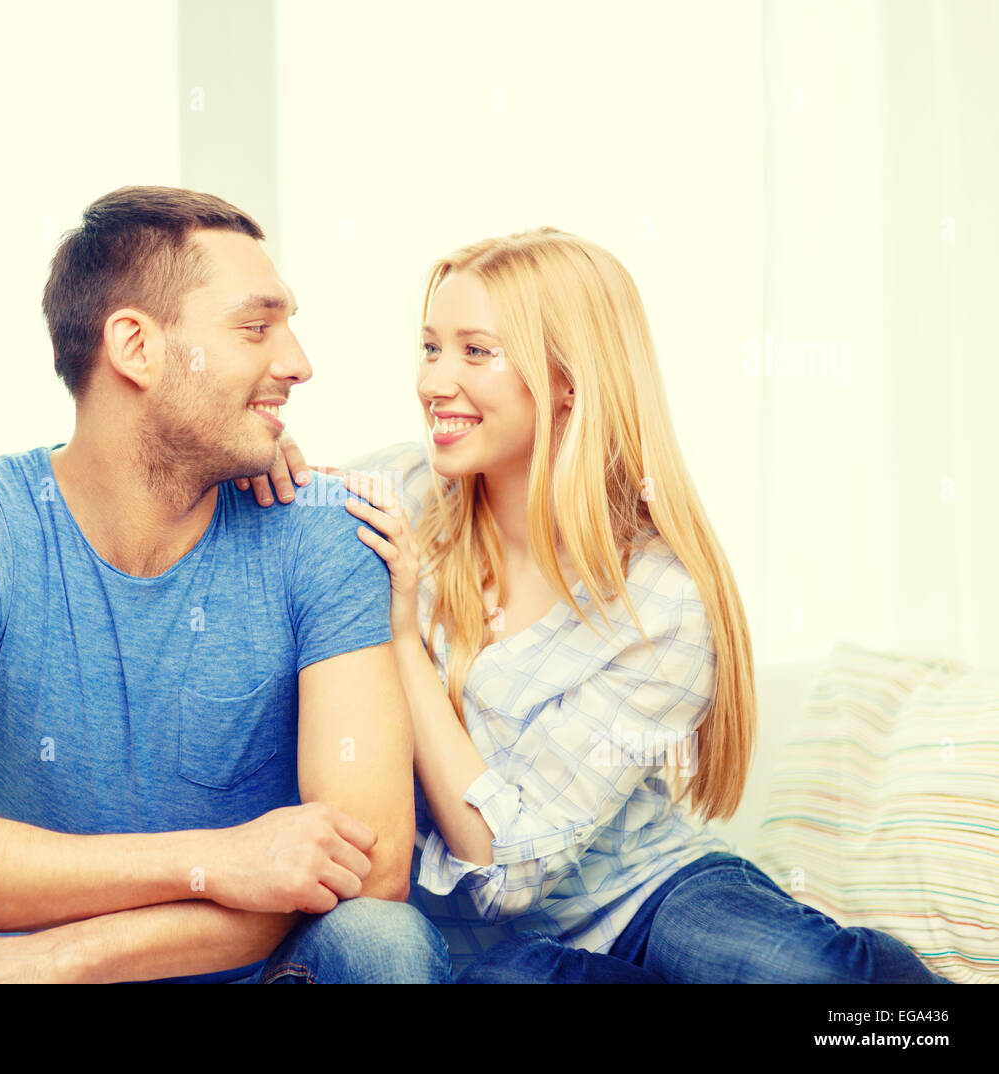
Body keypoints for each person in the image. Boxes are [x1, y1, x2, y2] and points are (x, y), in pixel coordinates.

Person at [240, 227, 952, 984]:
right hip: (487, 948)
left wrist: (402, 641)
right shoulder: (396, 493)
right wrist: (266, 463)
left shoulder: (663, 602)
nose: (435, 382)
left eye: (476, 352)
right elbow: (265, 520)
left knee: (801, 973)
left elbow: (504, 863)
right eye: (430, 348)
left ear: (568, 381)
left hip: (646, 895)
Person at [0, 185, 450, 984]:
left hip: (223, 970)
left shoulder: (321, 532)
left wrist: (77, 955)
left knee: (381, 941)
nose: (298, 363)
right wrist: (216, 859)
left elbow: (370, 865)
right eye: (256, 327)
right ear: (135, 347)